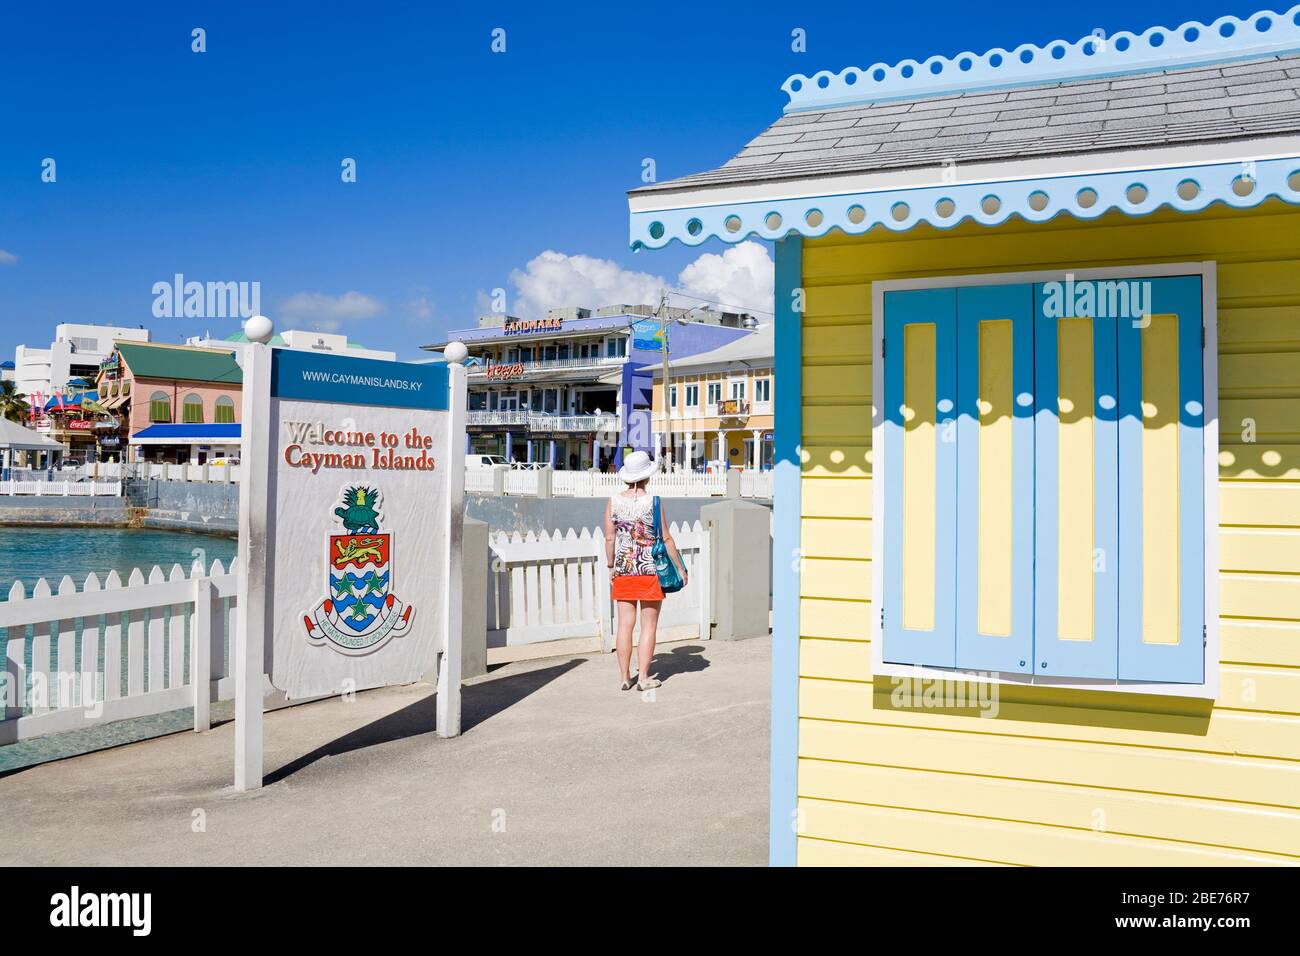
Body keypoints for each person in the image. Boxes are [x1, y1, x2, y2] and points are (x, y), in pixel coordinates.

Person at [603, 450, 686, 691]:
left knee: (624, 625)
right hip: (650, 570)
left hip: (624, 569)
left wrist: (611, 566)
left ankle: (624, 677)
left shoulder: (613, 501)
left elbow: (610, 539)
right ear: (647, 476)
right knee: (648, 626)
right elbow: (667, 538)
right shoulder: (654, 502)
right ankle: (644, 679)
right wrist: (680, 569)